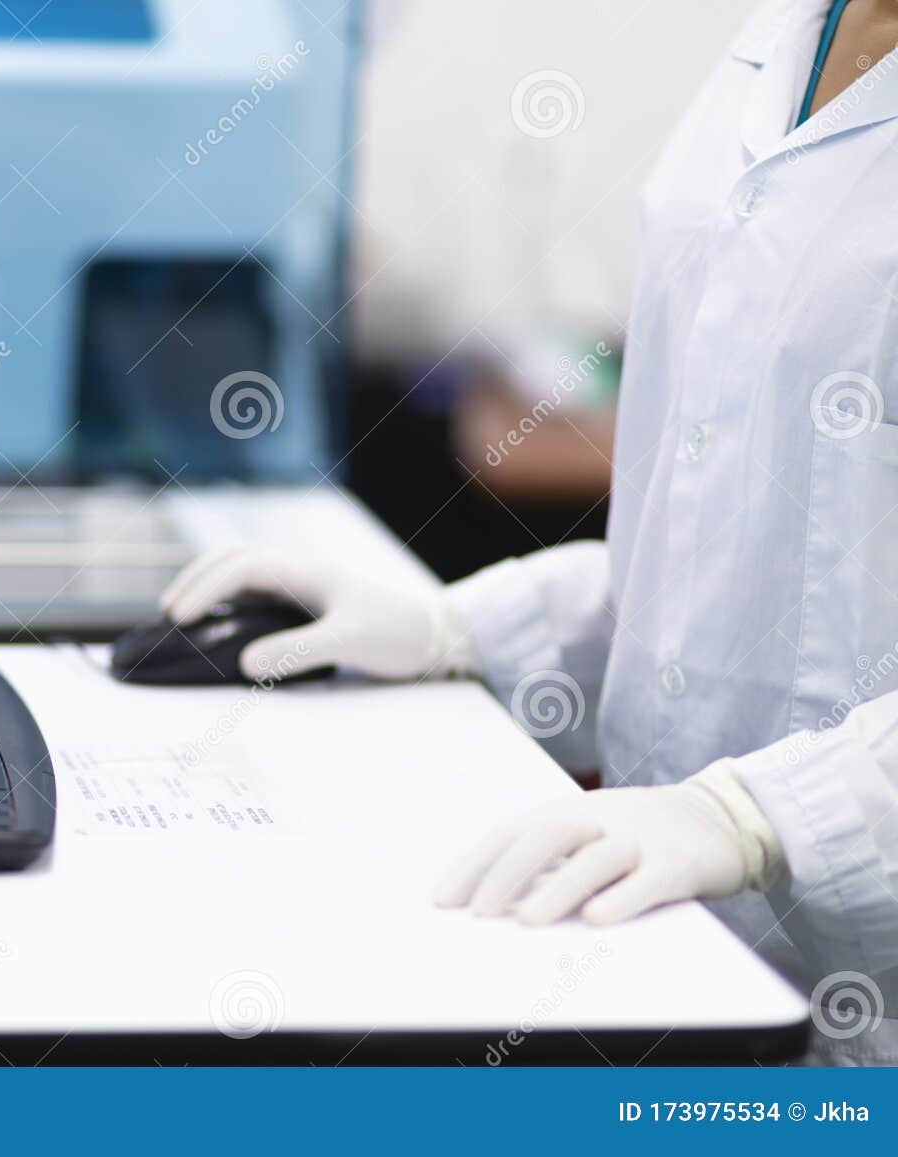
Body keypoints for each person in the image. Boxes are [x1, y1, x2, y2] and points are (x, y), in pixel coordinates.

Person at [162, 0, 898, 1062]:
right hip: (670, 966)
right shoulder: (774, 48)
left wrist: (754, 815)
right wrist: (454, 629)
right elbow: (724, 563)